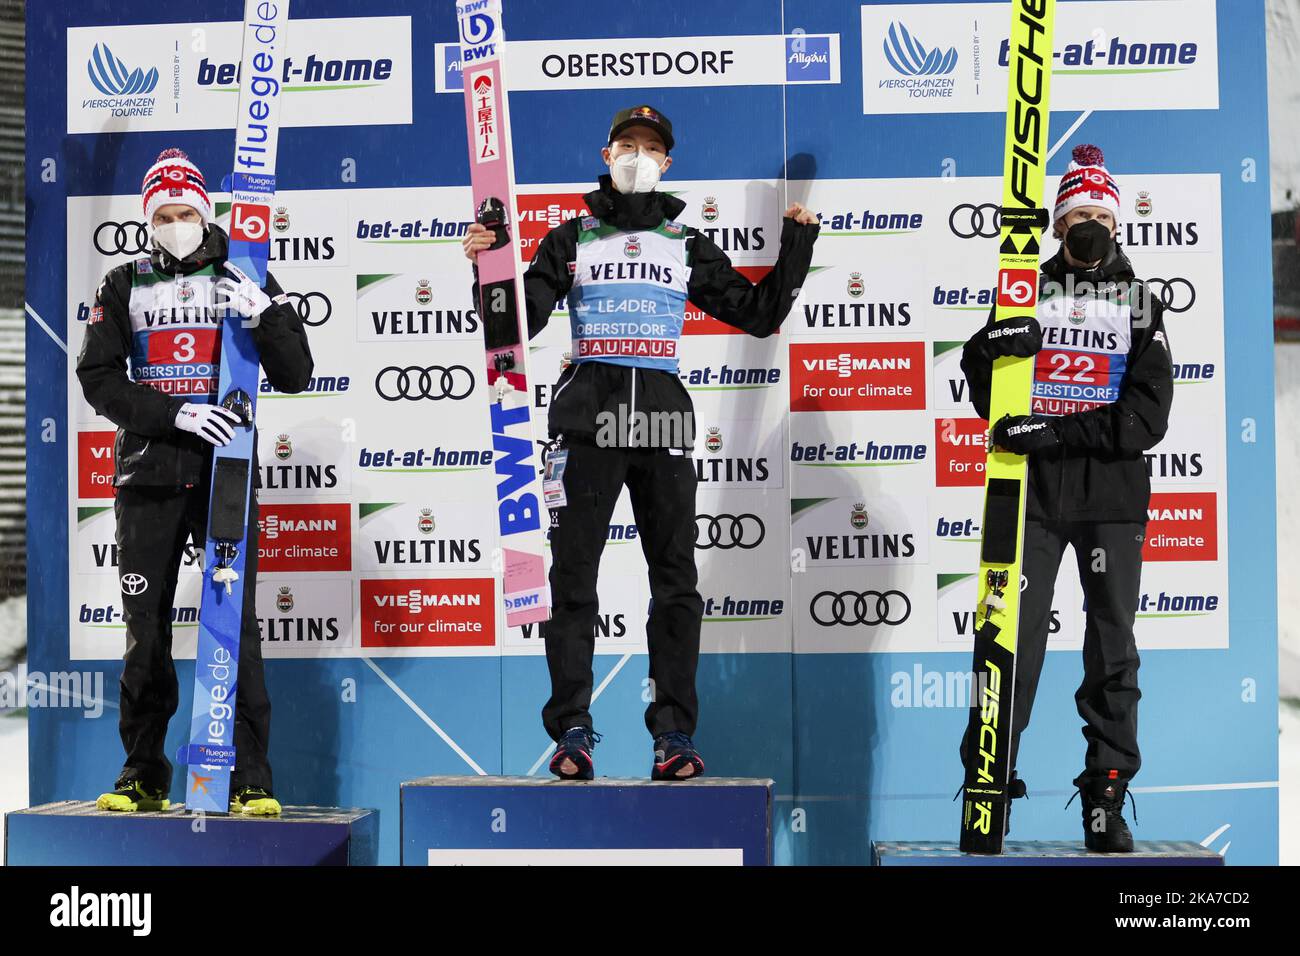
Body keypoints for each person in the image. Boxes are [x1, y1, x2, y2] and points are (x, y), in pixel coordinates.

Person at [463, 105, 820, 780]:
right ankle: (571, 729)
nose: (637, 154)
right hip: (584, 420)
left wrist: (796, 246)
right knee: (573, 582)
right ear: (606, 153)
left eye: (650, 147)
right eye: (626, 143)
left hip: (660, 418)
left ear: (668, 164)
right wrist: (491, 264)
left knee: (676, 584)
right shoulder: (571, 236)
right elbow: (509, 329)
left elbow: (760, 313)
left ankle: (674, 735)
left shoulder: (684, 240)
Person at [77, 148, 314, 815]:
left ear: (206, 211)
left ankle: (250, 779)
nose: (176, 224)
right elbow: (98, 379)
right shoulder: (123, 283)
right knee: (145, 630)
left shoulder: (248, 270)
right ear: (150, 219)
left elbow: (296, 372)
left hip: (226, 472)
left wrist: (265, 313)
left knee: (234, 627)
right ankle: (142, 773)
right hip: (147, 475)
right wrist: (171, 411)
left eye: (187, 212)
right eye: (165, 215)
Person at [960, 144, 1174, 851]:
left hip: (1109, 498)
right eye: (1075, 213)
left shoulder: (1142, 301)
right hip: (1032, 497)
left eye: (1098, 215)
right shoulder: (1024, 290)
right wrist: (987, 349)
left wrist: (1054, 432)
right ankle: (989, 779)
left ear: (1117, 225)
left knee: (1111, 647)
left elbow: (1146, 417)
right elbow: (987, 388)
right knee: (1007, 639)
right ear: (1055, 225)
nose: (1087, 225)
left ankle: (1106, 796)